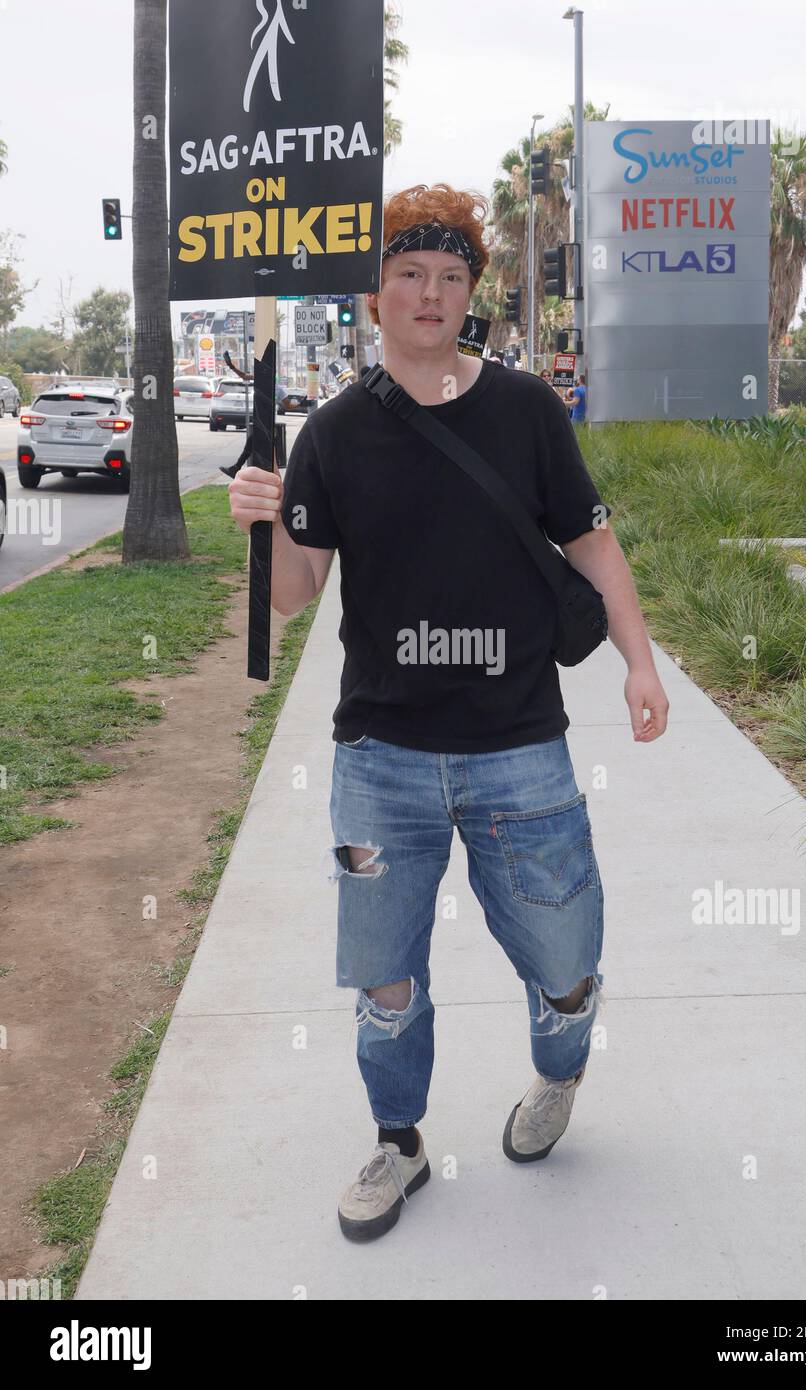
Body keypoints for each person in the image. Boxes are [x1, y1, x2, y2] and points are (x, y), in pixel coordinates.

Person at [228, 181, 669, 1244]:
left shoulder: (522, 412)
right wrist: (263, 512)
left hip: (521, 747)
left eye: (449, 277)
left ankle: (558, 1066)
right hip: (378, 757)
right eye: (409, 275)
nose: (430, 294)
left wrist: (637, 663)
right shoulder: (331, 435)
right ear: (373, 295)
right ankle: (399, 1139)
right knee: (383, 978)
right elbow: (292, 594)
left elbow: (591, 543)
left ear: (469, 293)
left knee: (565, 965)